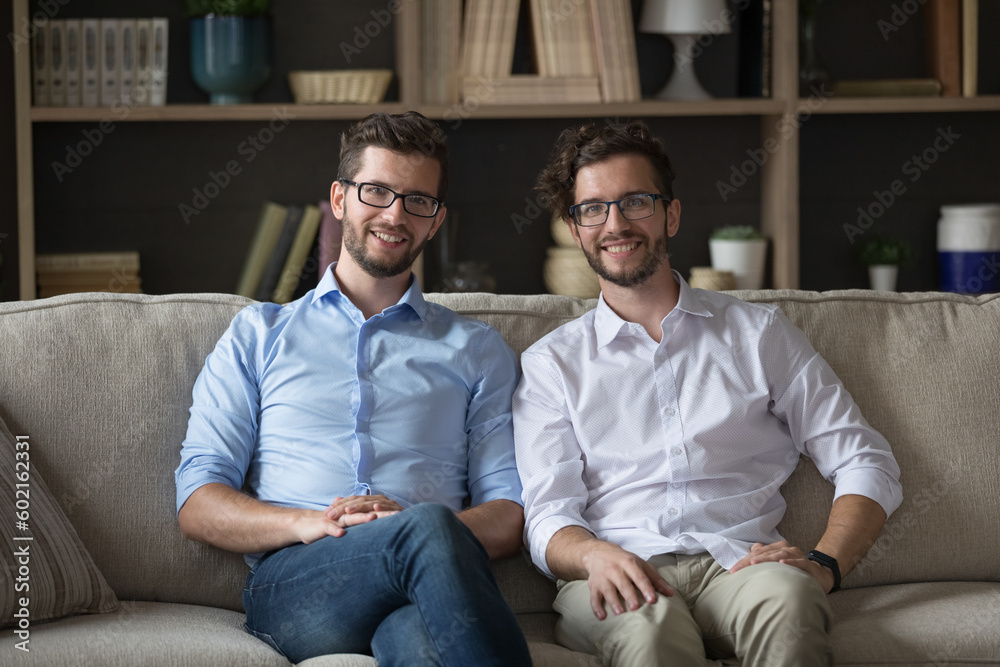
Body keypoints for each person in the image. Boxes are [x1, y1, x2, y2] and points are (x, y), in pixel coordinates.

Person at [512, 120, 902, 666]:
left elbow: (865, 460)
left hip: (740, 566)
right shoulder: (551, 364)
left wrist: (823, 564)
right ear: (576, 229)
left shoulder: (758, 334)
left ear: (671, 214)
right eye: (593, 208)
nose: (615, 223)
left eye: (636, 202)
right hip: (618, 571)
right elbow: (547, 514)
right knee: (651, 635)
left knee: (792, 600)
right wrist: (595, 556)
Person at [175, 111, 532, 667]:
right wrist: (308, 523)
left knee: (417, 640)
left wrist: (414, 534)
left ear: (434, 221)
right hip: (297, 584)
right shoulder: (259, 334)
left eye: (418, 201)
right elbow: (198, 503)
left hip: (429, 587)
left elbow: (508, 514)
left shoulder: (476, 350)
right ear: (340, 200)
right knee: (427, 529)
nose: (395, 215)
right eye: (376, 192)